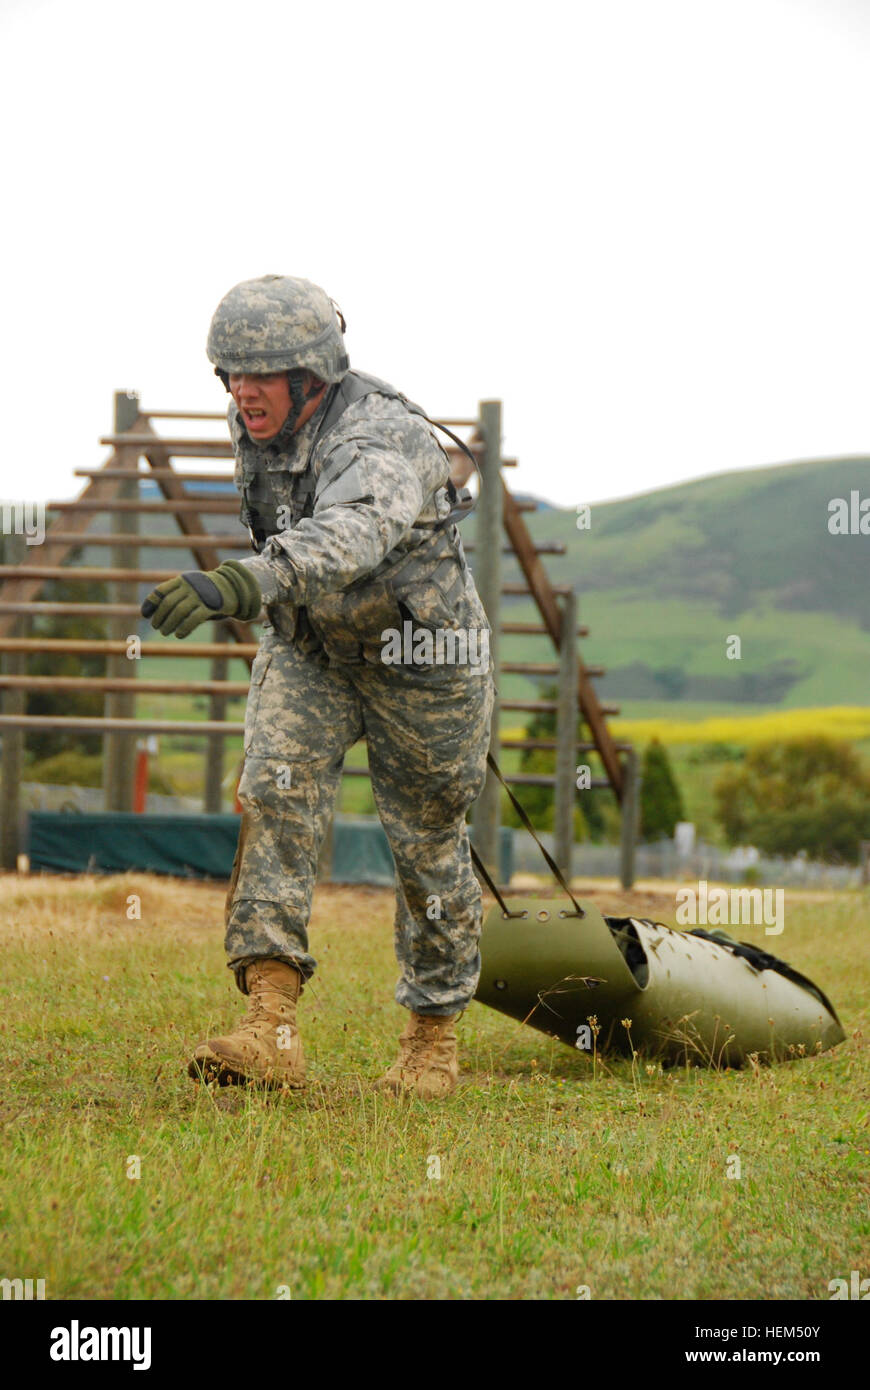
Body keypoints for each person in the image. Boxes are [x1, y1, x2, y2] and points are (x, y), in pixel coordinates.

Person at [142, 275, 495, 1100]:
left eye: (262, 375)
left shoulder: (381, 436)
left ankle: (432, 1038)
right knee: (273, 795)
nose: (243, 392)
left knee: (426, 840)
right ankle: (270, 1029)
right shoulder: (254, 423)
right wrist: (269, 594)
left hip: (423, 656)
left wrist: (243, 582)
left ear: (311, 376)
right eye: (232, 374)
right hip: (313, 647)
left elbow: (353, 533)